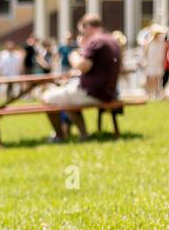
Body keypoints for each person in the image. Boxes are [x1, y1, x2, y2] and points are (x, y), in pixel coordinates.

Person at [41, 13, 121, 142]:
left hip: (94, 93)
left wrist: (73, 55)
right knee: (67, 99)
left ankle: (60, 136)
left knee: (47, 98)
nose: (83, 34)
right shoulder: (110, 39)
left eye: (82, 31)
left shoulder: (96, 40)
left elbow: (82, 66)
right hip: (109, 92)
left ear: (88, 27)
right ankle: (83, 135)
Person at [142, 24, 168, 99]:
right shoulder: (149, 42)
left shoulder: (162, 43)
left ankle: (157, 93)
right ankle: (148, 93)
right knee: (150, 78)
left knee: (158, 79)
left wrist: (163, 62)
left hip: (158, 62)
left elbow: (164, 54)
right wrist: (145, 61)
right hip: (150, 62)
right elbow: (146, 52)